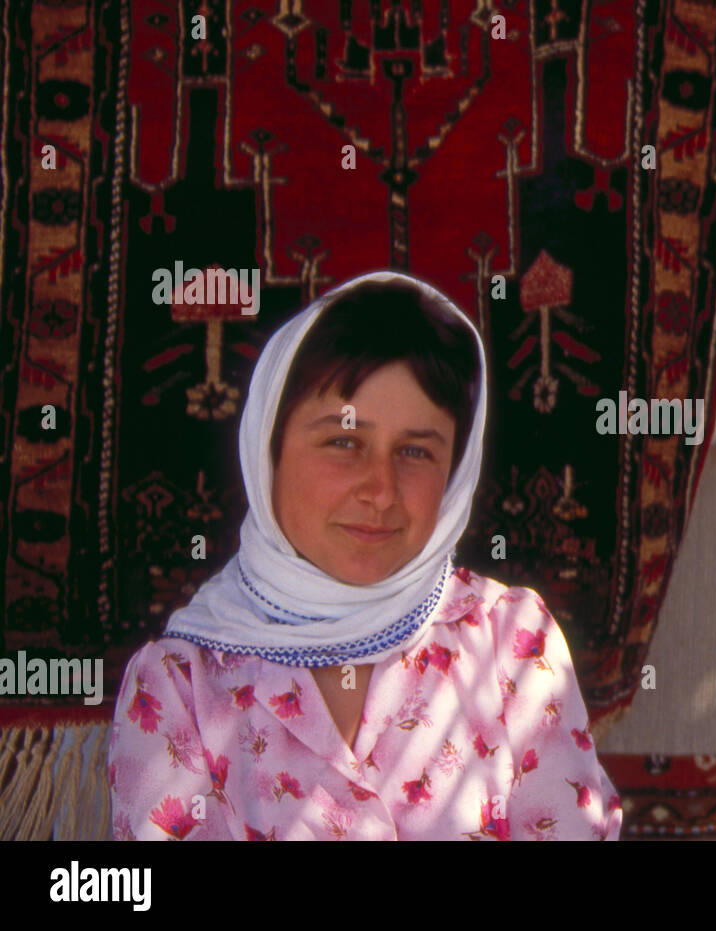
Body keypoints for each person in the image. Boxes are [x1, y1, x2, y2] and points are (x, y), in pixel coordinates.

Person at [107, 270, 622, 840]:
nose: (380, 489)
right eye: (344, 442)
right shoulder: (181, 687)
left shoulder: (510, 644)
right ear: (268, 450)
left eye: (416, 451)